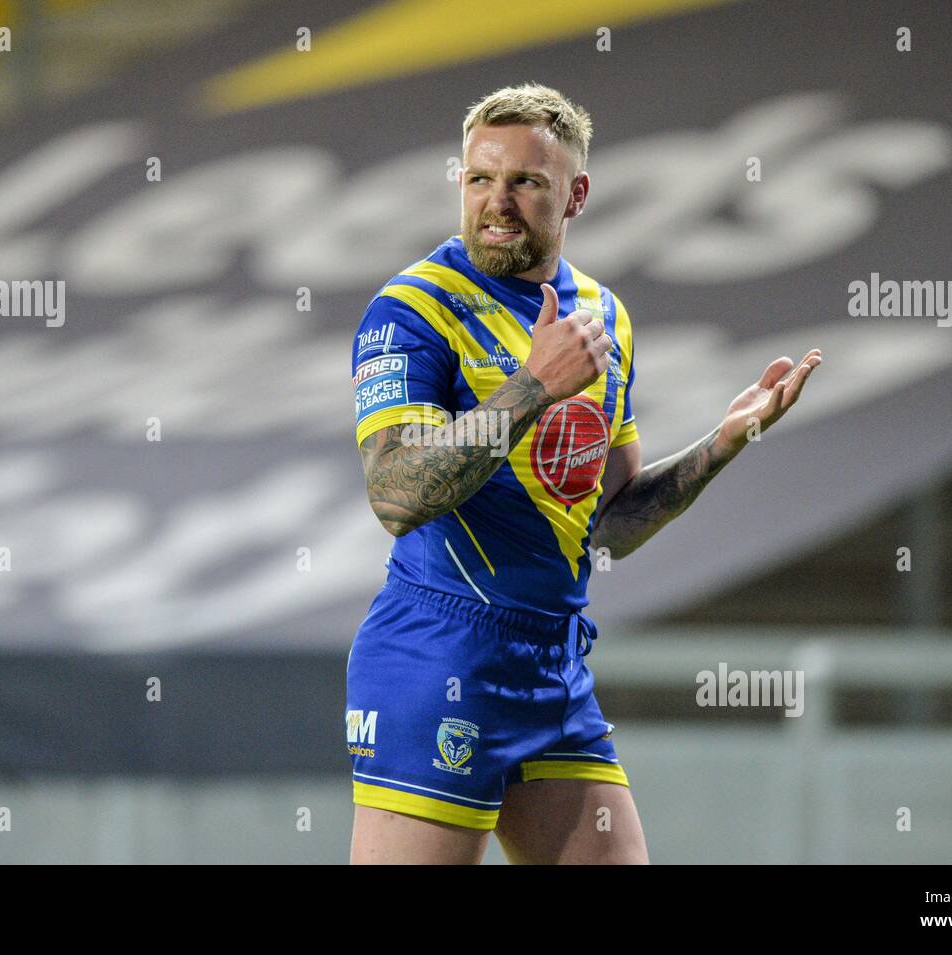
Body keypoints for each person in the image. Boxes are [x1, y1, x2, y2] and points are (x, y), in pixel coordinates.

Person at [346, 83, 821, 864]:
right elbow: (395, 495)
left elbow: (610, 521)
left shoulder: (602, 317)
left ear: (577, 194)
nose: (497, 202)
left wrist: (721, 446)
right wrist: (533, 385)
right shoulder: (413, 310)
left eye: (526, 181)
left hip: (551, 665)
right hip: (436, 657)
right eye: (478, 179)